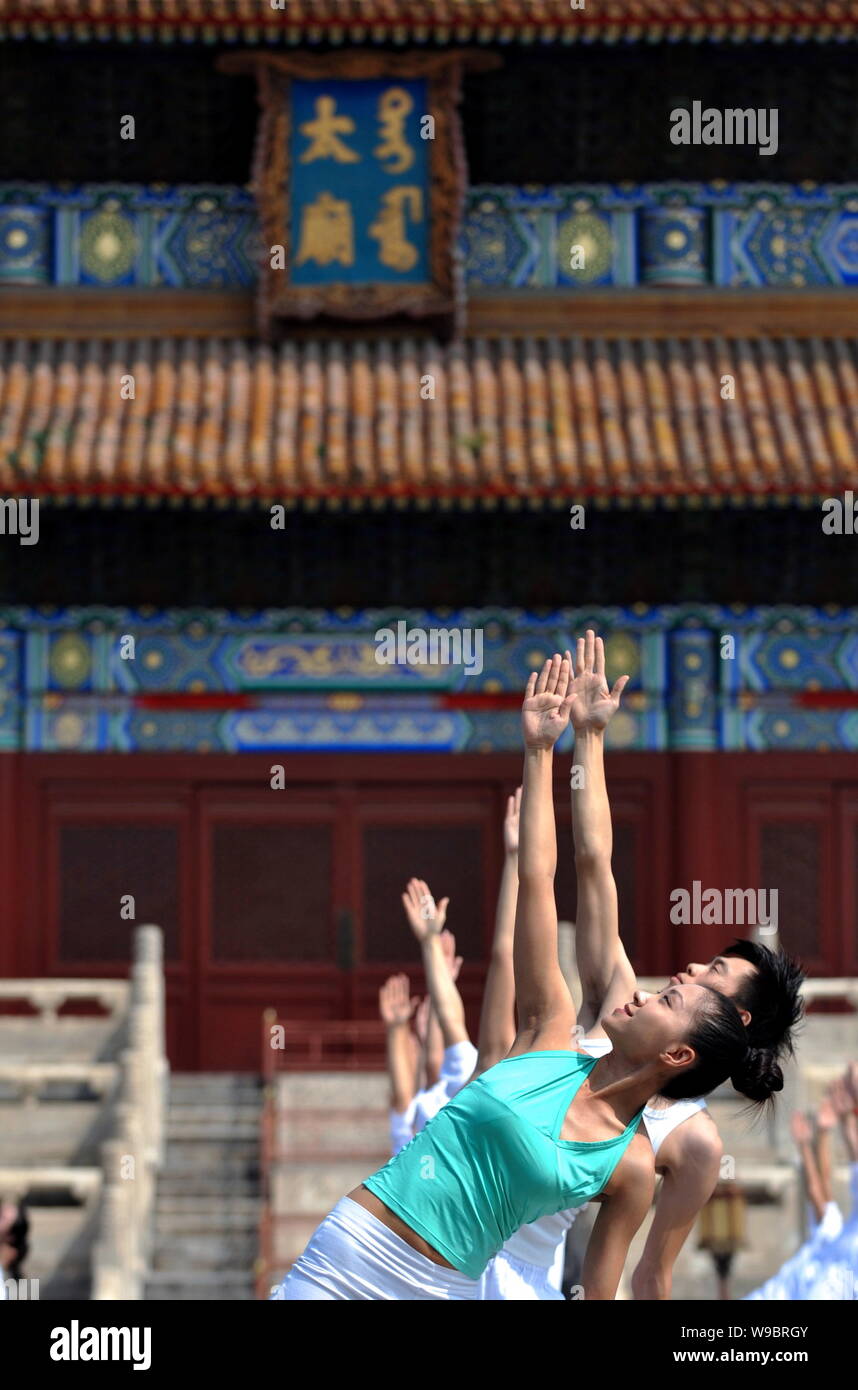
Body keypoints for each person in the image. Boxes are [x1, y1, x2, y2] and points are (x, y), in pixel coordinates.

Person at [272, 653, 782, 1301]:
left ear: (698, 1040)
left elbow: (625, 1285)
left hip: (478, 1288)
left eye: (699, 982)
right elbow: (563, 876)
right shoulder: (554, 1030)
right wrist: (554, 746)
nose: (670, 977)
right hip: (355, 1254)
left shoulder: (644, 1160)